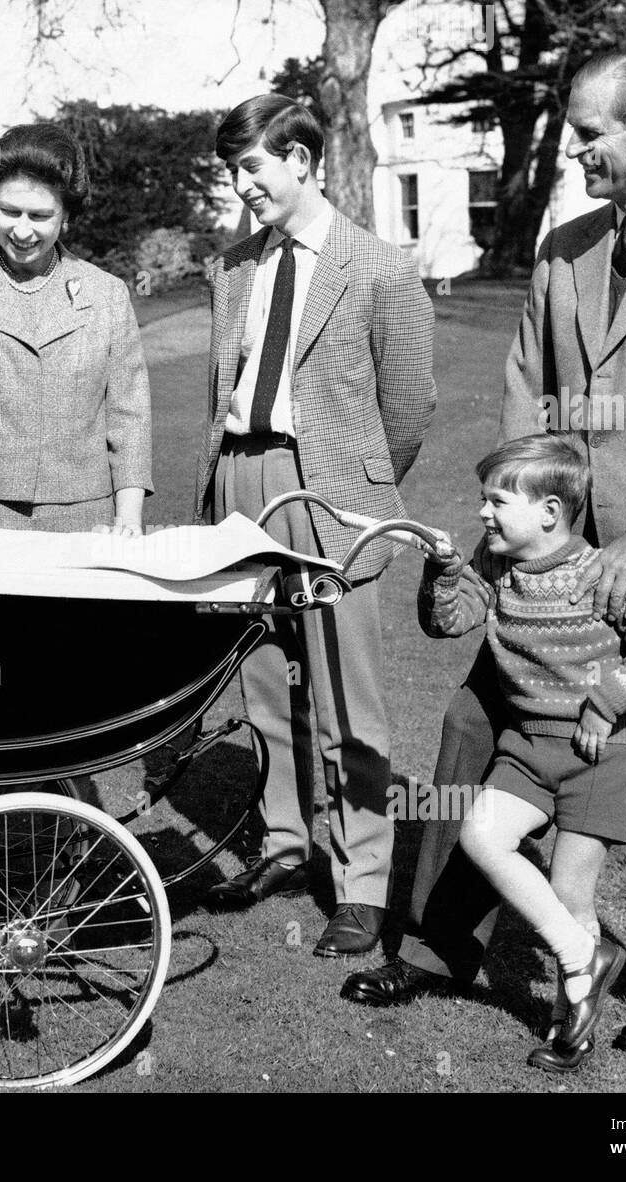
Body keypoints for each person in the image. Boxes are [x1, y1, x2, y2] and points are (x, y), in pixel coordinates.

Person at [343, 51, 626, 1057]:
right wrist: (522, 524)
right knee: (473, 733)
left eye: (591, 135)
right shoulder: (563, 247)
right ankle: (439, 939)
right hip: (548, 566)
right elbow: (524, 388)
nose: (575, 153)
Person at [194, 95, 436, 956]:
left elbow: (409, 404)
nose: (240, 186)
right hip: (243, 479)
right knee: (264, 680)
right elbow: (222, 388)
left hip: (329, 492)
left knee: (347, 697)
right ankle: (286, 843)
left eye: (251, 168)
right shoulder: (230, 268)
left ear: (301, 160)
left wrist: (359, 492)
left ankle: (363, 881)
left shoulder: (378, 267)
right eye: (231, 172)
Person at [419, 435, 626, 1071]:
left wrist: (606, 699)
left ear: (549, 512)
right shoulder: (495, 565)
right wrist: (442, 571)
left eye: (496, 501)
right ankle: (581, 957)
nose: (482, 513)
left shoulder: (601, 575)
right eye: (483, 500)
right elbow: (447, 623)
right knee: (482, 837)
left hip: (602, 752)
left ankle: (572, 1028)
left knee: (571, 893)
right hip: (527, 747)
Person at [0, 123, 151, 547]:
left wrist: (129, 519)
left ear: (67, 214)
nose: (21, 230)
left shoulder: (106, 294)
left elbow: (129, 417)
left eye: (40, 216)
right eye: (9, 211)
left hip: (88, 517)